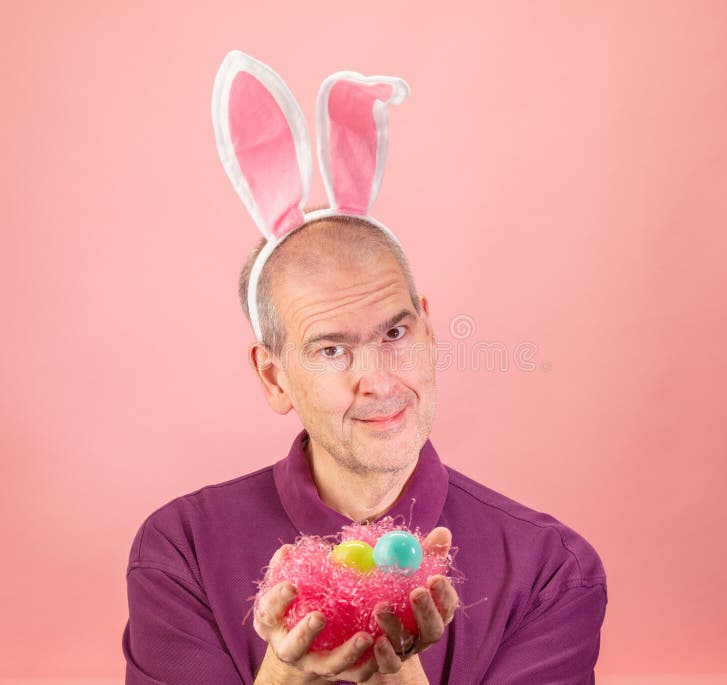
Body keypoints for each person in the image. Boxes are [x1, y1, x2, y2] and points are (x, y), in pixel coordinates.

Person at [122, 52, 607, 685]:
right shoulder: (178, 551)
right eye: (331, 350)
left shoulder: (552, 570)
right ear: (273, 377)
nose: (379, 380)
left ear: (429, 331)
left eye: (395, 332)